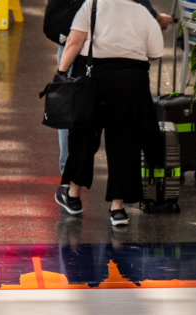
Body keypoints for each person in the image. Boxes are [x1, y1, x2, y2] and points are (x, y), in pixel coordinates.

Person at [55, 0, 165, 229]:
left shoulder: (92, 5)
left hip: (93, 78)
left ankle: (73, 196)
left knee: (83, 136)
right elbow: (155, 54)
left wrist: (61, 75)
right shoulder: (143, 13)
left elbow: (74, 42)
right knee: (125, 143)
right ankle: (117, 209)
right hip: (131, 83)